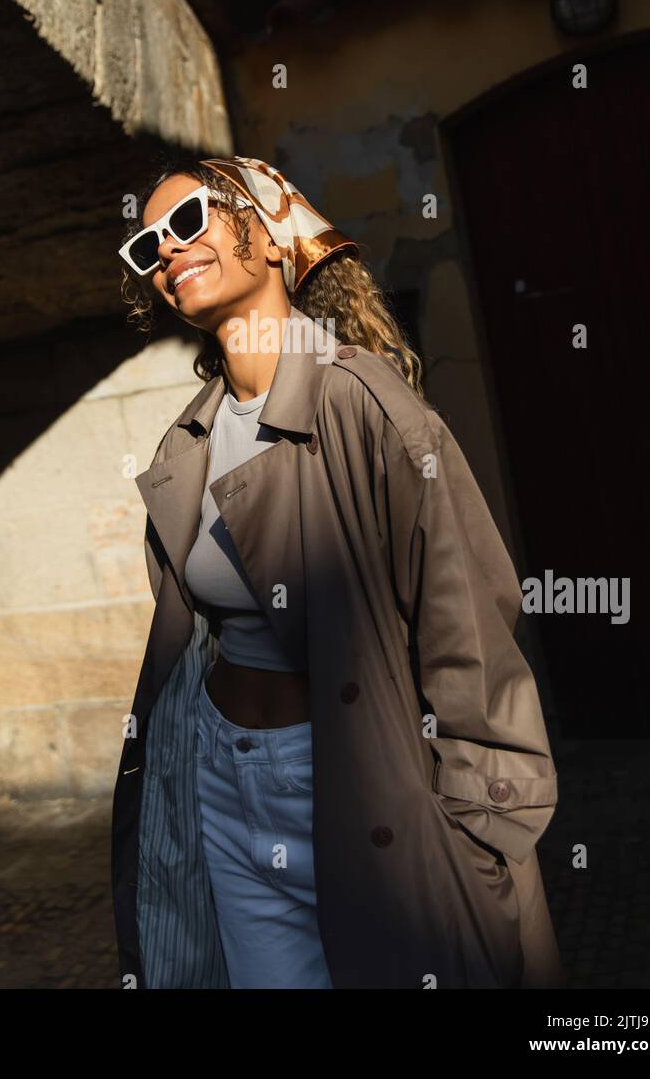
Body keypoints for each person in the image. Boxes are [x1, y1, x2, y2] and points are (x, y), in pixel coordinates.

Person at [111, 152, 565, 990]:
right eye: (148, 248)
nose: (166, 251)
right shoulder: (188, 442)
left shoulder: (362, 402)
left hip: (351, 782)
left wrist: (483, 824)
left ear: (271, 230)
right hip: (224, 785)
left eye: (187, 222)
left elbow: (464, 623)